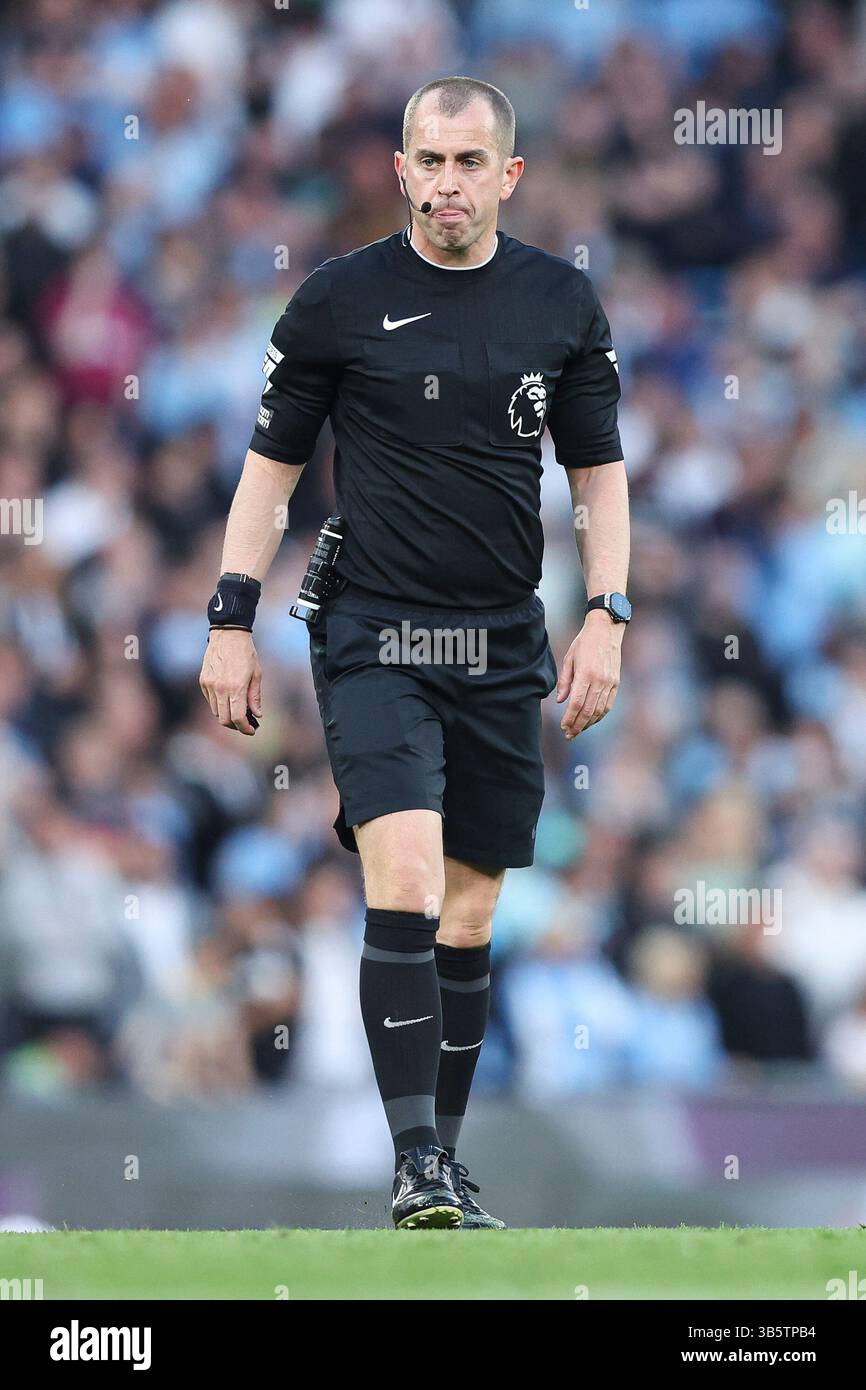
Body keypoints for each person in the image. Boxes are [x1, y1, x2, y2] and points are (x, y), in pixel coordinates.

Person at [199, 76, 630, 1229]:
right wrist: (229, 619)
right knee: (404, 880)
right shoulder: (337, 302)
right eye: (427, 161)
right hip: (374, 633)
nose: (446, 183)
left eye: (466, 163)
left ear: (508, 174)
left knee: (473, 918)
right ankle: (414, 1167)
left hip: (501, 643)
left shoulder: (560, 301)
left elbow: (597, 473)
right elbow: (269, 473)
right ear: (399, 169)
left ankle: (436, 1160)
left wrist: (608, 611)